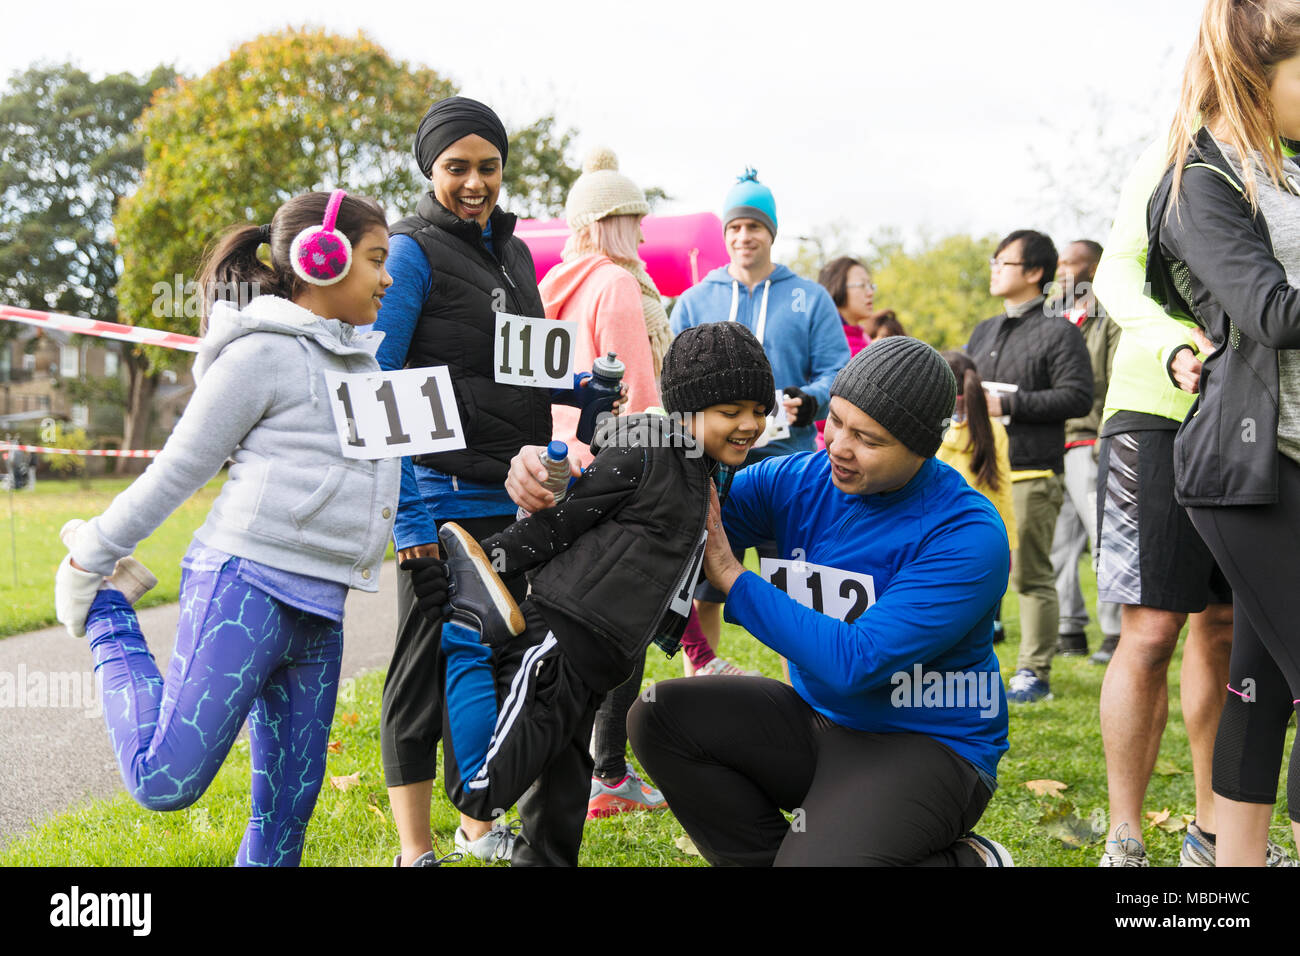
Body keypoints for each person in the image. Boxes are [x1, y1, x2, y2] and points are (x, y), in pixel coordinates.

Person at [53, 190, 399, 867]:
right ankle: (111, 614)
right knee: (165, 782)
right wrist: (89, 558)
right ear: (323, 259)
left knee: (287, 816)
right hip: (246, 586)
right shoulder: (260, 355)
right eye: (377, 259)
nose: (388, 277)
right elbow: (178, 471)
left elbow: (387, 475)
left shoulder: (363, 362)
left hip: (321, 608)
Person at [620, 337, 1012, 866]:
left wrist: (736, 580)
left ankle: (969, 862)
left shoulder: (966, 533)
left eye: (868, 439)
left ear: (924, 450)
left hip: (928, 743)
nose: (839, 447)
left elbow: (858, 662)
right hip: (818, 721)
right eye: (838, 422)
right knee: (659, 715)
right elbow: (679, 507)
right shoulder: (799, 479)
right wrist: (567, 482)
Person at [424, 322, 775, 860]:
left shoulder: (703, 475)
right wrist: (485, 562)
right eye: (731, 412)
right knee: (480, 788)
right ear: (685, 410)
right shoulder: (651, 449)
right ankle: (466, 636)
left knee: (560, 810)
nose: (750, 424)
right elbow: (561, 522)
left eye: (759, 410)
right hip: (562, 635)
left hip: (598, 667)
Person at [376, 96, 598, 866]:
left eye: (488, 167)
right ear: (429, 171)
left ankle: (476, 827)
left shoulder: (516, 253)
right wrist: (407, 526)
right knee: (426, 672)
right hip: (438, 501)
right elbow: (379, 385)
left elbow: (512, 370)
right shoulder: (409, 252)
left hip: (517, 494)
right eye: (456, 168)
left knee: (506, 664)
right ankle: (416, 851)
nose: (474, 183)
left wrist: (580, 390)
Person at [1143, 0, 1300, 868]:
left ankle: (1228, 873)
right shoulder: (1200, 180)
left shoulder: (1288, 173)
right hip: (1248, 471)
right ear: (1257, 75)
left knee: (1262, 682)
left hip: (1293, 460)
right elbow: (1271, 314)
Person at [670, 168, 850, 675]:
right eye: (734, 227)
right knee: (704, 583)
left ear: (772, 232)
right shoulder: (694, 300)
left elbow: (838, 369)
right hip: (712, 468)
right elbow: (674, 377)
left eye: (754, 226)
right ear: (724, 235)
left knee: (794, 587)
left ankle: (805, 696)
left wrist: (806, 400)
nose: (744, 237)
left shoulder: (809, 297)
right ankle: (697, 691)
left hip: (787, 466)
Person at [536, 145, 669, 817]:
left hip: (564, 465)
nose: (643, 234)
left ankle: (559, 761)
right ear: (609, 222)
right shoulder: (616, 283)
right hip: (619, 467)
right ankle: (609, 772)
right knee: (630, 621)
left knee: (572, 618)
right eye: (635, 220)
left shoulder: (559, 281)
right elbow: (636, 392)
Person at [965, 230, 1093, 704]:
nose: (994, 268)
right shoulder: (983, 331)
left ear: (1035, 273)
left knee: (1031, 575)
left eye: (1005, 262)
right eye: (994, 260)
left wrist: (1007, 405)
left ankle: (1033, 672)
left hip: (1033, 470)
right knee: (972, 572)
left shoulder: (1060, 331)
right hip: (979, 472)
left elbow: (1078, 396)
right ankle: (970, 666)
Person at [1049, 240, 1122, 659]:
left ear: (1092, 268)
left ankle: (1113, 632)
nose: (1059, 271)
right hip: (1051, 445)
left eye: (1068, 263)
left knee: (1103, 538)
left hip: (1090, 441)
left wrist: (1107, 439)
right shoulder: (1055, 317)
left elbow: (1114, 381)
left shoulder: (1109, 316)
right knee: (1060, 545)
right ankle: (1069, 630)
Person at [937, 350, 1018, 555]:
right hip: (985, 533)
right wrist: (1007, 540)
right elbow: (1002, 489)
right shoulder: (994, 429)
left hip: (938, 533)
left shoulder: (930, 430)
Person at [814, 256, 875, 450]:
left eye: (871, 285)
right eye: (862, 285)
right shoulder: (821, 343)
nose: (870, 292)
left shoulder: (864, 339)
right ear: (837, 287)